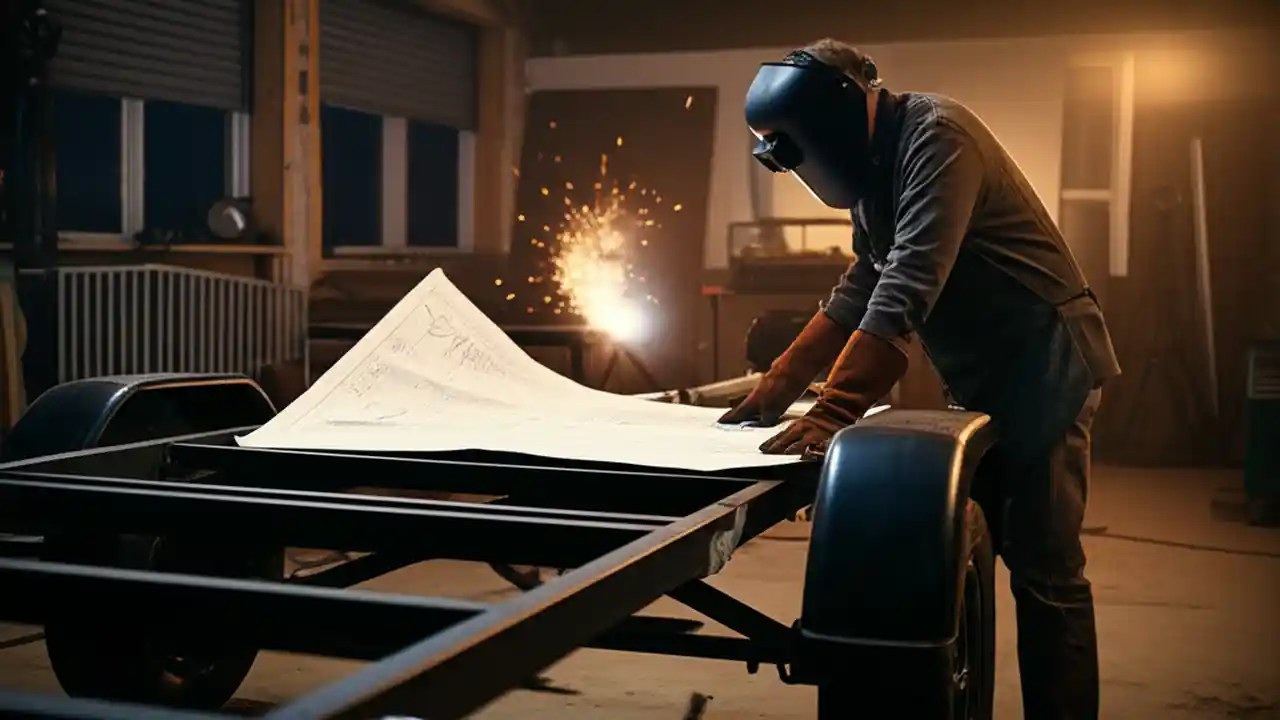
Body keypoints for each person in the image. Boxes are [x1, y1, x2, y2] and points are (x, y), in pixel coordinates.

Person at [720, 39, 1121, 719]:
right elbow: (866, 277)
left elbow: (909, 280)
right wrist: (780, 384)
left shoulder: (940, 138)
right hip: (985, 376)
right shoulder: (875, 166)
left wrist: (835, 409)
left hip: (1047, 365)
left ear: (843, 117)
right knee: (969, 553)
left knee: (1045, 574)